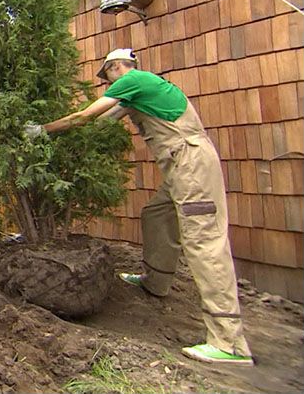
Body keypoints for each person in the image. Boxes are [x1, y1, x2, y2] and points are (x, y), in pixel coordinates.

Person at [24, 48, 253, 366]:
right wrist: (67, 148)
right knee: (157, 214)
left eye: (107, 76)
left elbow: (85, 116)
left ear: (117, 67)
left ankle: (229, 342)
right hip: (180, 166)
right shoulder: (137, 92)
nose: (107, 84)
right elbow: (100, 124)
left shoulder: (135, 80)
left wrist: (41, 131)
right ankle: (155, 281)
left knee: (203, 243)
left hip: (191, 163)